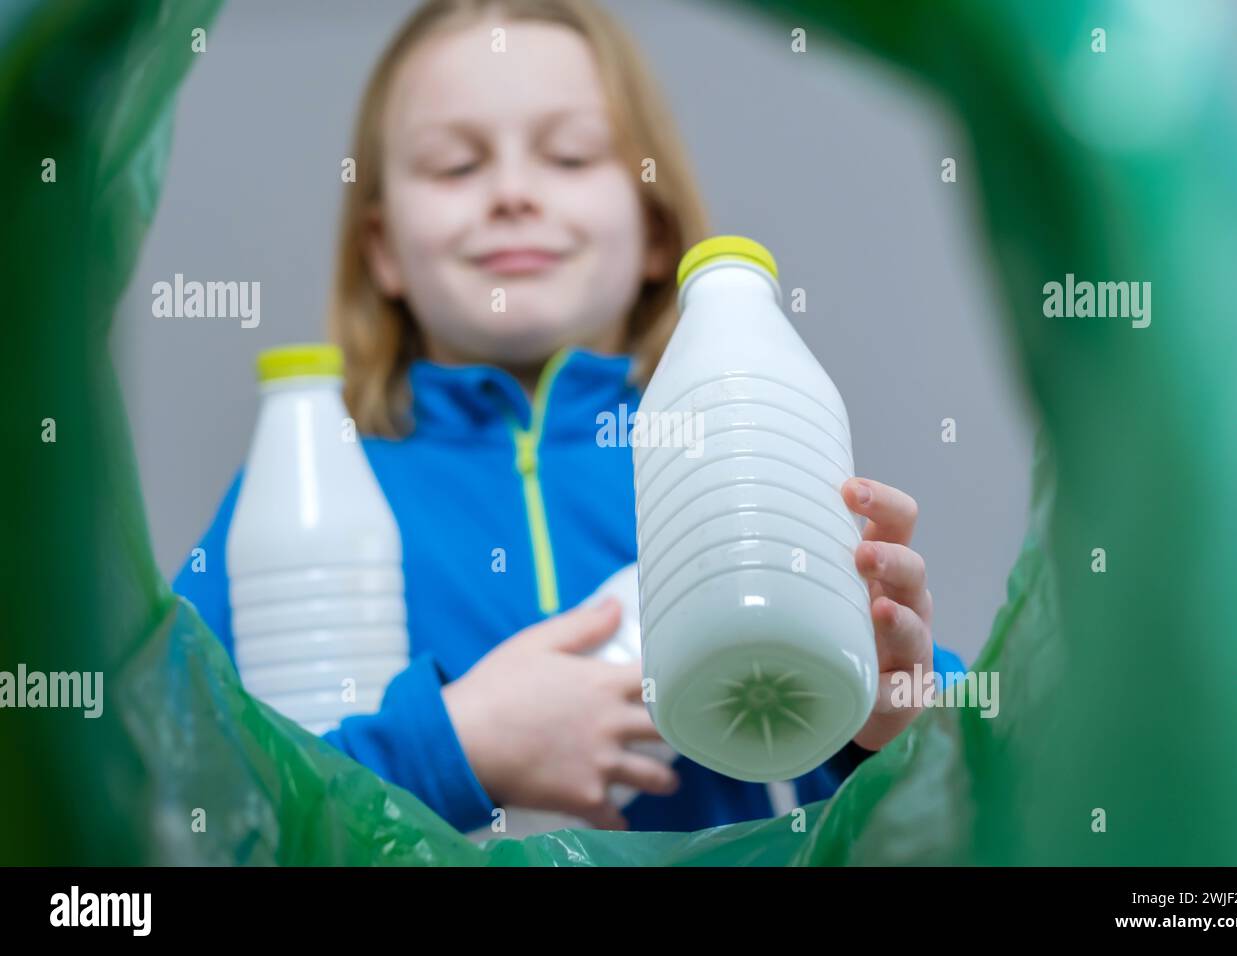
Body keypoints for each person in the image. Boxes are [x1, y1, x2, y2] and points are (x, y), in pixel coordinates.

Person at [173, 0, 964, 835]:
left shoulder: (738, 446)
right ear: (382, 251)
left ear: (656, 230)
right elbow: (184, 807)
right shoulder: (295, 496)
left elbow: (975, 807)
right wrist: (455, 748)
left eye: (570, 155)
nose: (513, 193)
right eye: (454, 166)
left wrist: (889, 719)